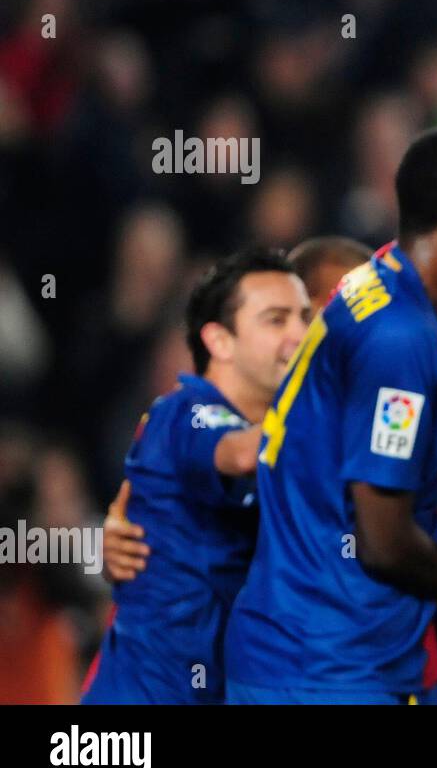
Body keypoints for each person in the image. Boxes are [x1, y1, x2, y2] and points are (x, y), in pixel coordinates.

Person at [222, 126, 437, 704]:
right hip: (330, 668)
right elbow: (382, 540)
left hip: (305, 652)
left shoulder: (372, 283)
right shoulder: (401, 339)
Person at [83, 248, 311, 703]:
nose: (300, 335)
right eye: (276, 320)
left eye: (306, 318)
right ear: (220, 342)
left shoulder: (285, 440)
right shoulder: (184, 412)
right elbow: (241, 455)